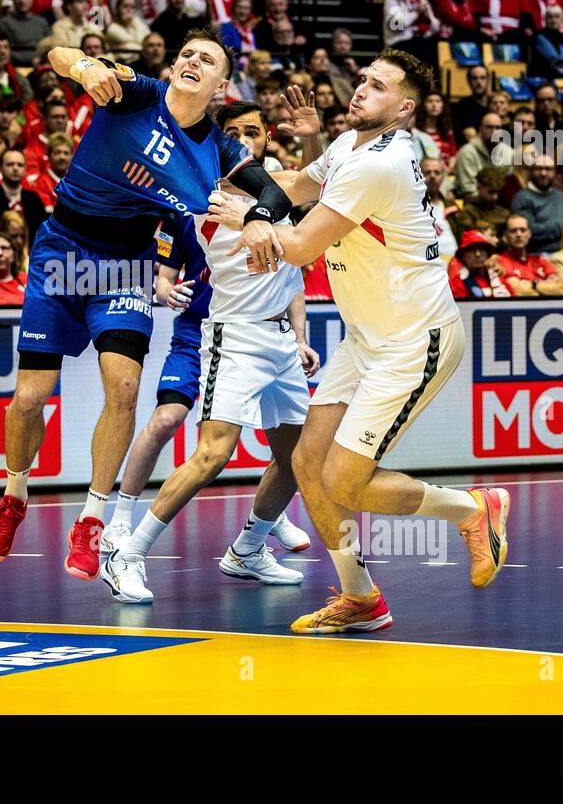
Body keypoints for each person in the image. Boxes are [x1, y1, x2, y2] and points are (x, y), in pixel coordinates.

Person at [206, 56, 510, 634]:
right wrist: (233, 171)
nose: (361, 90)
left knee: (344, 479)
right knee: (306, 462)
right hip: (366, 337)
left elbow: (295, 245)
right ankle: (360, 597)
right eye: (362, 80)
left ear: (405, 109)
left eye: (379, 86)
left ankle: (474, 508)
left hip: (414, 341)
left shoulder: (383, 164)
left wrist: (250, 212)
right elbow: (298, 187)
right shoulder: (349, 146)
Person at [0, 29, 291, 581]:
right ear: (174, 64)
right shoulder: (137, 93)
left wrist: (262, 215)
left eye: (208, 59)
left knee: (123, 391)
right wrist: (81, 69)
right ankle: (14, 496)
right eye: (187, 52)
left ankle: (93, 522)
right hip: (63, 252)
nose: (193, 60)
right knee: (29, 399)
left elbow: (274, 191)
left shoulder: (219, 147)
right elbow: (58, 53)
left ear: (220, 84)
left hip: (127, 263)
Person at [101, 101, 313, 559]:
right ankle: (128, 548)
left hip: (279, 337)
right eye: (232, 134)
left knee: (299, 457)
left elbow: (316, 196)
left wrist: (312, 138)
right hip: (231, 335)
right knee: (211, 453)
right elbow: (293, 219)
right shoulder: (203, 198)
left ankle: (250, 547)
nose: (242, 142)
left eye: (251, 133)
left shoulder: (275, 184)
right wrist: (261, 214)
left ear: (265, 137)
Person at [509, 154, 563, 254]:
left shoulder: (560, 196)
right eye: (539, 168)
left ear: (555, 172)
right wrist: (560, 228)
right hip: (537, 254)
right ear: (531, 171)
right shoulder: (522, 198)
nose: (543, 173)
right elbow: (530, 231)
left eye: (548, 169)